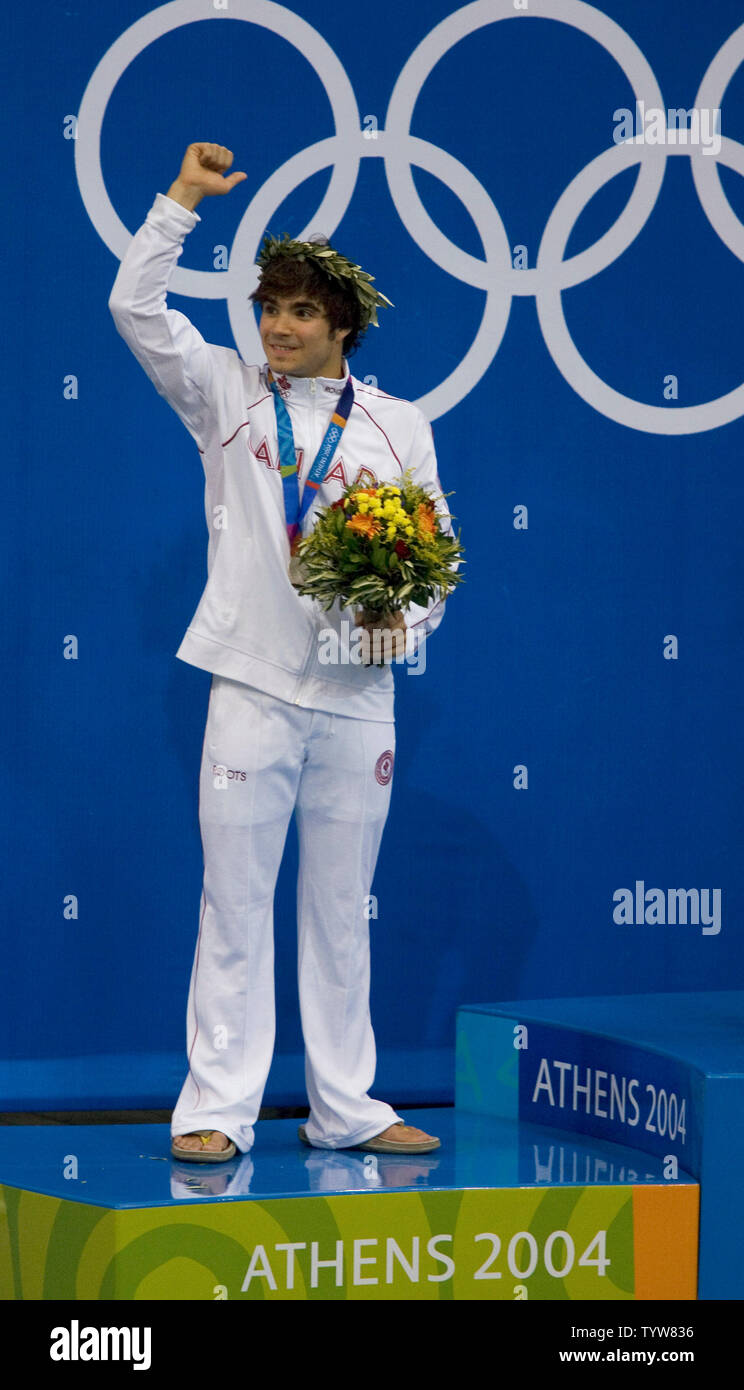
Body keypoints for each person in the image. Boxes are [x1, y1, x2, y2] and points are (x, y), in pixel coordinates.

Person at [109, 142, 451, 1161]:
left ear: (341, 322)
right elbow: (134, 308)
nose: (278, 327)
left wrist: (406, 624)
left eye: (300, 312)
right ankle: (216, 1108)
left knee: (344, 910)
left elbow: (433, 556)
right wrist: (178, 201)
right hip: (252, 686)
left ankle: (347, 1106)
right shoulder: (225, 394)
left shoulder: (399, 424)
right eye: (268, 308)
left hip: (358, 697)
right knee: (235, 900)